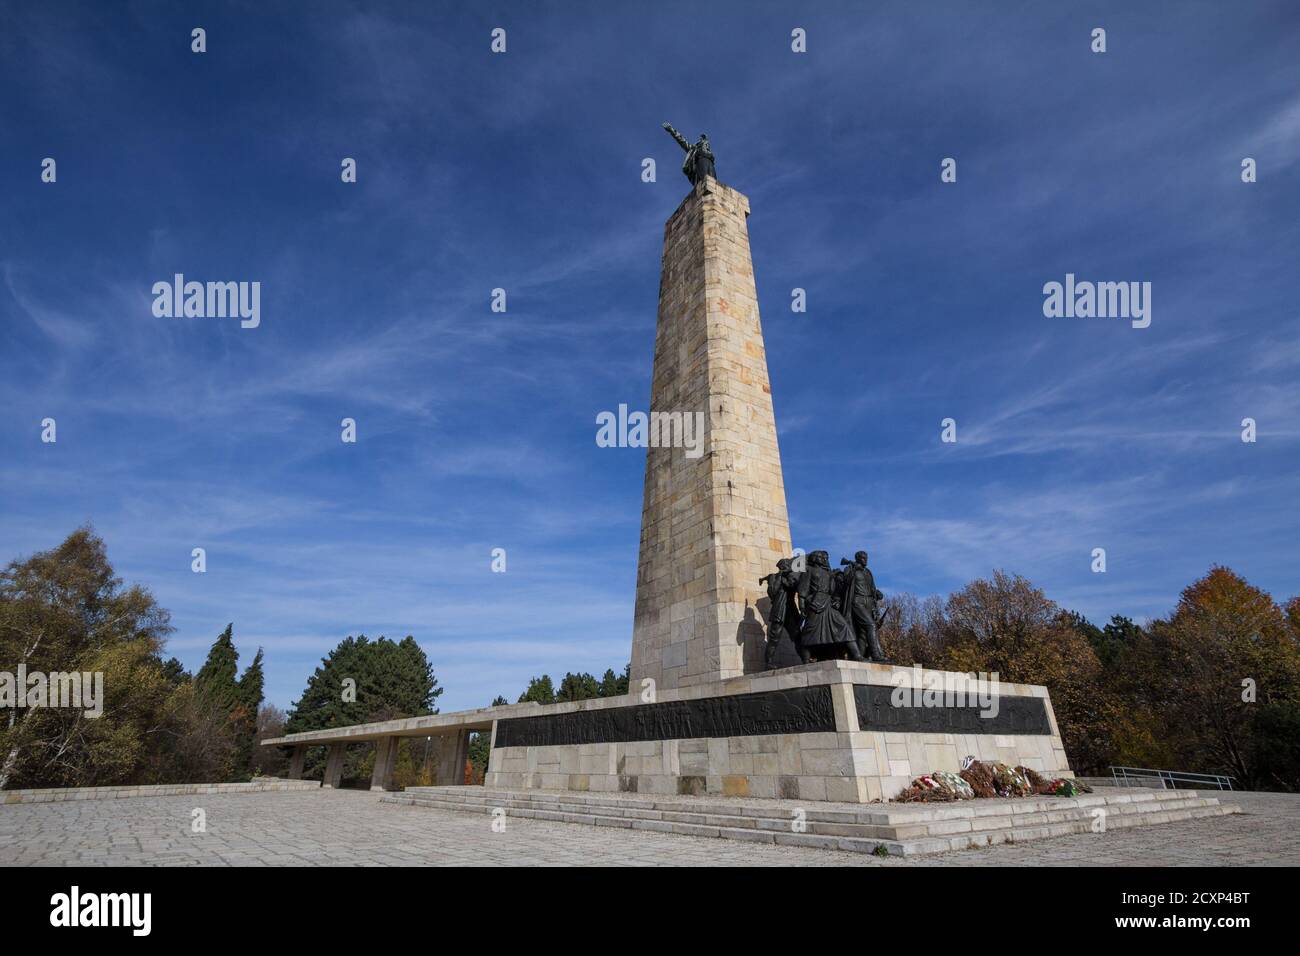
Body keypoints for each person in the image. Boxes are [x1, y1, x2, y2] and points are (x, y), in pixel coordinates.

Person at [797, 551, 863, 661]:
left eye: (825, 557)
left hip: (828, 603)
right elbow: (803, 591)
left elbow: (834, 591)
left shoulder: (828, 573)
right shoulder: (809, 570)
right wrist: (802, 607)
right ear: (815, 559)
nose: (824, 559)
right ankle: (805, 659)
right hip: (815, 604)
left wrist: (836, 600)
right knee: (809, 631)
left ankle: (857, 655)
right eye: (821, 557)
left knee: (843, 626)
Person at [839, 550, 888, 662]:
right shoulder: (850, 568)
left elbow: (872, 588)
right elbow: (845, 582)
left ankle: (859, 656)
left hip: (869, 602)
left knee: (863, 633)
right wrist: (853, 569)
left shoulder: (868, 572)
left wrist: (877, 594)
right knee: (871, 625)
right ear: (857, 559)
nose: (865, 560)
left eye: (866, 558)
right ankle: (876, 655)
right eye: (862, 558)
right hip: (857, 601)